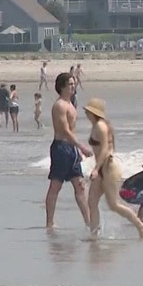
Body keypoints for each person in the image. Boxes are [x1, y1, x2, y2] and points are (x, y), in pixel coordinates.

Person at [83, 98, 143, 239]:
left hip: (109, 167)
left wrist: (96, 169)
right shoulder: (96, 126)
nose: (86, 113)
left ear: (94, 113)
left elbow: (105, 150)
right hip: (102, 167)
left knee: (113, 204)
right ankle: (94, 235)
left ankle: (140, 226)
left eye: (88, 111)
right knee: (92, 201)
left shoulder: (101, 126)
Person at [45, 73, 92, 230]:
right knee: (55, 186)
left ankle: (89, 222)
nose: (73, 86)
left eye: (74, 83)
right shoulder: (59, 105)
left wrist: (77, 150)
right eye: (70, 84)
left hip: (71, 149)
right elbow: (65, 130)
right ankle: (50, 223)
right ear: (62, 87)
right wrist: (82, 147)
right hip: (61, 148)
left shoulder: (70, 104)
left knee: (80, 186)